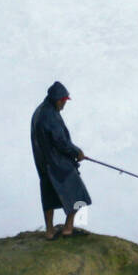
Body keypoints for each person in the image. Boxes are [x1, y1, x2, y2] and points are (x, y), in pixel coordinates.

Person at [30, 81, 92, 239]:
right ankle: (68, 228)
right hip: (58, 164)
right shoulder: (51, 116)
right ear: (58, 100)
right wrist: (77, 152)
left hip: (43, 163)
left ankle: (50, 231)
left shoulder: (40, 111)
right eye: (64, 101)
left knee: (48, 196)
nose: (65, 104)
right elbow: (61, 142)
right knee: (80, 196)